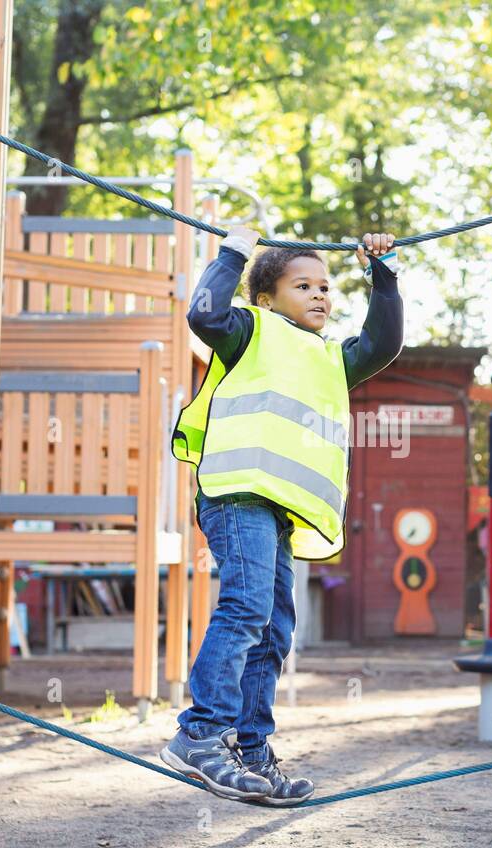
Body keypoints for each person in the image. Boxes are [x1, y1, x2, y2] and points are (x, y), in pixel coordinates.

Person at [162, 225, 403, 803]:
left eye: (326, 286)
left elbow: (384, 342)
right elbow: (203, 315)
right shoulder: (250, 328)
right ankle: (201, 733)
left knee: (274, 631)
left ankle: (250, 748)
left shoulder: (330, 358)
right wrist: (233, 254)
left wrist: (385, 273)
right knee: (245, 609)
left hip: (281, 510)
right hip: (238, 493)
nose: (321, 295)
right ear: (267, 297)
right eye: (304, 285)